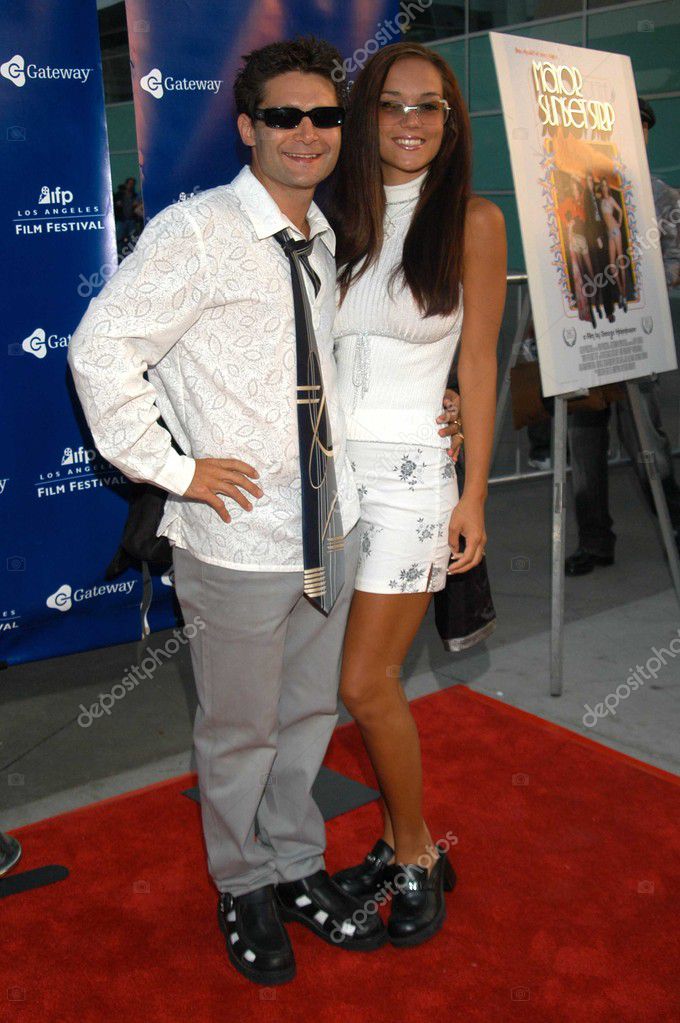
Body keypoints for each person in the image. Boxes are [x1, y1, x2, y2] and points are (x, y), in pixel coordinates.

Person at [69, 37, 392, 987]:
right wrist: (171, 467)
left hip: (329, 523)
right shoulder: (197, 231)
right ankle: (240, 879)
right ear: (248, 128)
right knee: (239, 728)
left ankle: (295, 864)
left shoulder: (323, 238)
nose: (306, 133)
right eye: (284, 117)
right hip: (237, 539)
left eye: (324, 116)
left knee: (307, 715)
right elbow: (99, 348)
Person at [326, 41, 506, 946]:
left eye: (428, 106)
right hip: (332, 479)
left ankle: (418, 849)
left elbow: (477, 366)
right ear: (367, 116)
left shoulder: (472, 219)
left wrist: (472, 495)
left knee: (367, 681)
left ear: (451, 119)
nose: (409, 121)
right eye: (392, 104)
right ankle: (402, 839)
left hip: (412, 481)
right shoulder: (336, 214)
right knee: (343, 677)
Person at [565, 97, 680, 575]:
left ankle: (674, 531)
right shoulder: (574, 191)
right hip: (584, 342)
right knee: (583, 448)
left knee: (647, 447)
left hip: (635, 344)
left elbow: (676, 260)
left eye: (642, 128)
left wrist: (651, 276)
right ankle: (595, 544)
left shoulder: (660, 196)